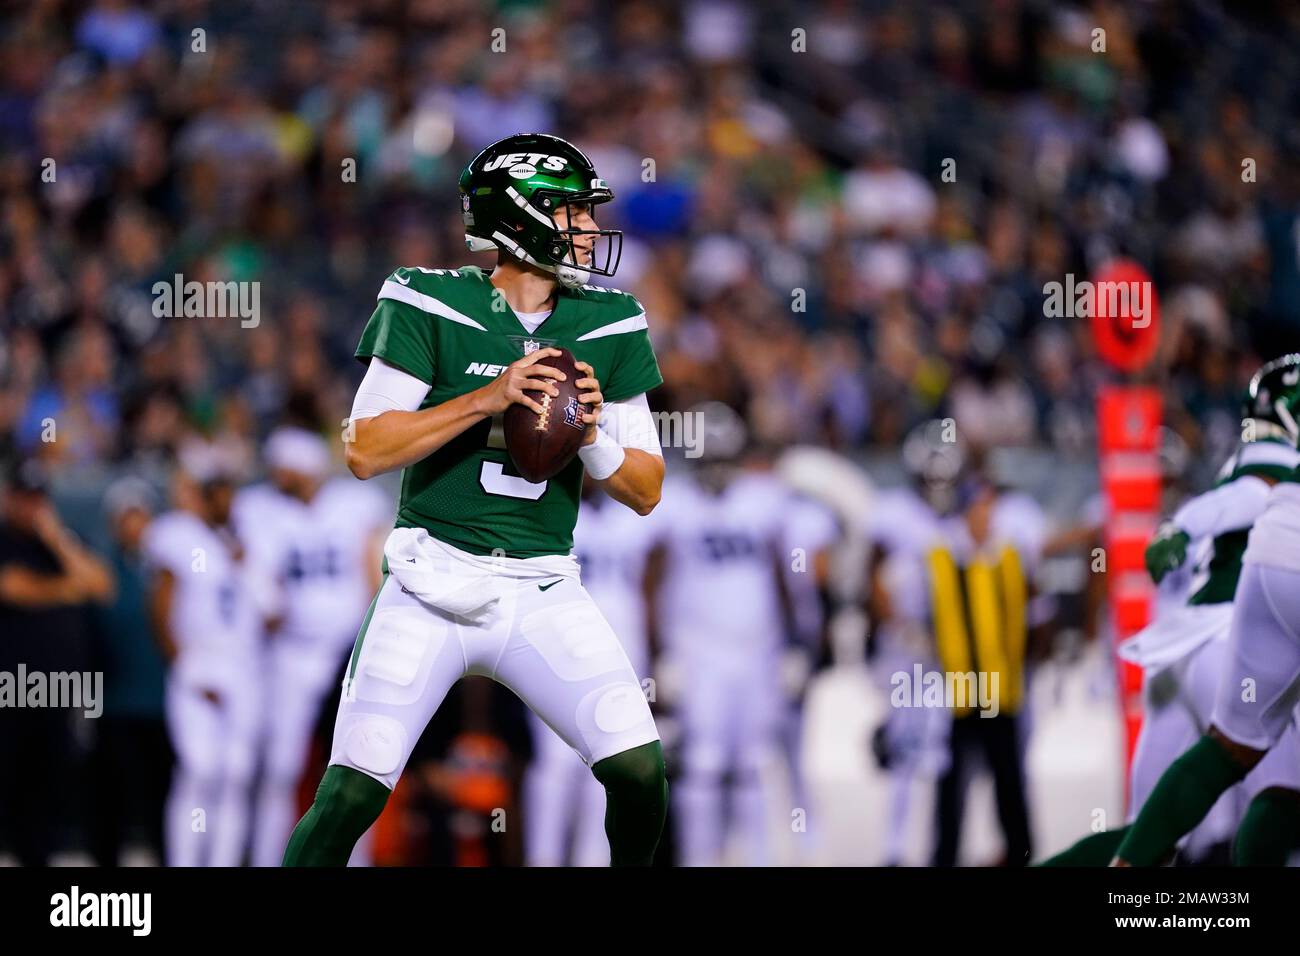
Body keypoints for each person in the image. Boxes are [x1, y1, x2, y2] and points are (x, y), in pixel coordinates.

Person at [283, 132, 668, 867]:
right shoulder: (429, 298)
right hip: (431, 578)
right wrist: (488, 397)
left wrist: (591, 436)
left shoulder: (610, 320)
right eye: (574, 212)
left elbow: (646, 490)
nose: (589, 229)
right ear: (521, 215)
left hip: (541, 583)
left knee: (640, 771)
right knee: (351, 794)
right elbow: (366, 449)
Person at [1042, 357, 1300, 865]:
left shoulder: (1246, 464)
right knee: (1283, 791)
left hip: (1188, 646)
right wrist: (1181, 527)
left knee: (1154, 828)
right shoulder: (1268, 469)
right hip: (1226, 644)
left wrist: (1178, 529)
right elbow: (1246, 498)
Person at [647, 402, 797, 866]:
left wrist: (795, 644)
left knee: (754, 764)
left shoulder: (763, 500)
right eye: (708, 459)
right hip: (698, 653)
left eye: (722, 458)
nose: (716, 469)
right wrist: (661, 656)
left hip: (758, 651)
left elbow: (780, 575)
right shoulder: (675, 504)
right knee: (704, 765)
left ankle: (755, 858)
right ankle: (699, 858)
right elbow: (650, 583)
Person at [234, 426, 391, 867]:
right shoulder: (260, 509)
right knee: (281, 767)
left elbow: (371, 564)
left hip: (346, 652)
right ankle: (269, 857)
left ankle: (352, 860)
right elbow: (259, 580)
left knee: (356, 766)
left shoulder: (352, 505)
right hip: (291, 654)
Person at [145, 442, 262, 866]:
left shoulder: (243, 544)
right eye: (218, 491)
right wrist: (186, 666)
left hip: (243, 670)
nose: (227, 500)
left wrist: (248, 569)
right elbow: (160, 607)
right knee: (198, 770)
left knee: (235, 774)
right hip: (198, 664)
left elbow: (270, 616)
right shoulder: (178, 534)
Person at [0, 459, 114, 866]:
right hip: (10, 691)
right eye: (23, 499)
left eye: (37, 500)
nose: (30, 508)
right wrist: (68, 589)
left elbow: (100, 585)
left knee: (48, 790)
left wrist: (57, 538)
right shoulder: (5, 541)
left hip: (58, 693)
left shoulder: (62, 541)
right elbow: (13, 588)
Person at [91, 476, 170, 867]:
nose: (134, 525)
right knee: (110, 800)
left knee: (164, 798)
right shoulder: (101, 570)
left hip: (163, 702)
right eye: (126, 517)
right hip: (115, 705)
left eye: (140, 515)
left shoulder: (168, 568)